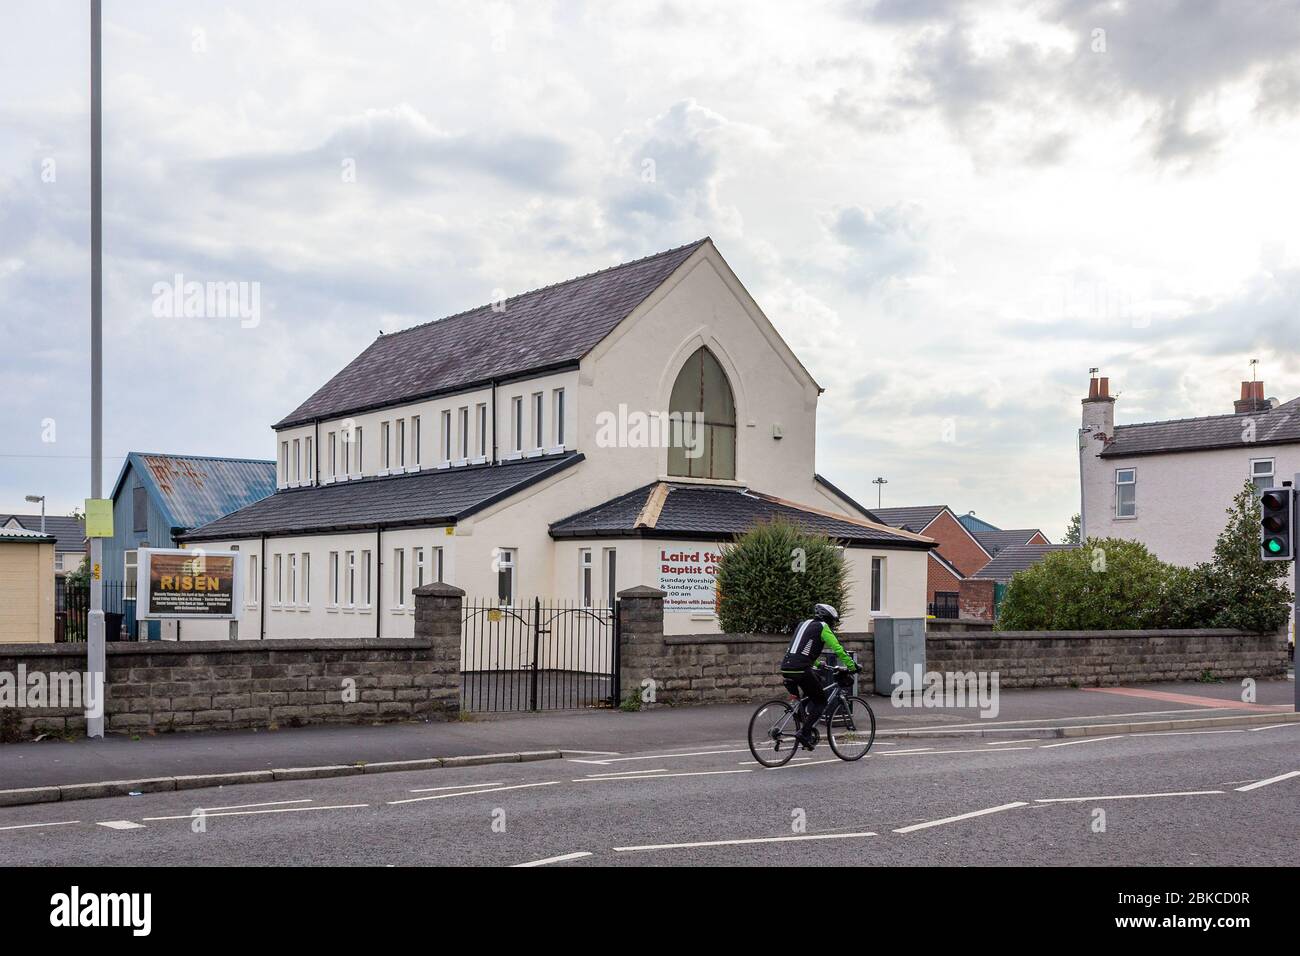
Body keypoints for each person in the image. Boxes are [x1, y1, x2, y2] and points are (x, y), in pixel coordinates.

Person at [779, 603, 856, 750]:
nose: (833, 625)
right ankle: (804, 733)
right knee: (821, 701)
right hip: (801, 669)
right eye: (833, 621)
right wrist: (852, 666)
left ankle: (802, 718)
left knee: (817, 682)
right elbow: (838, 649)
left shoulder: (803, 624)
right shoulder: (822, 627)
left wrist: (816, 663)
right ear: (828, 619)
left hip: (786, 667)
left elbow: (800, 648)